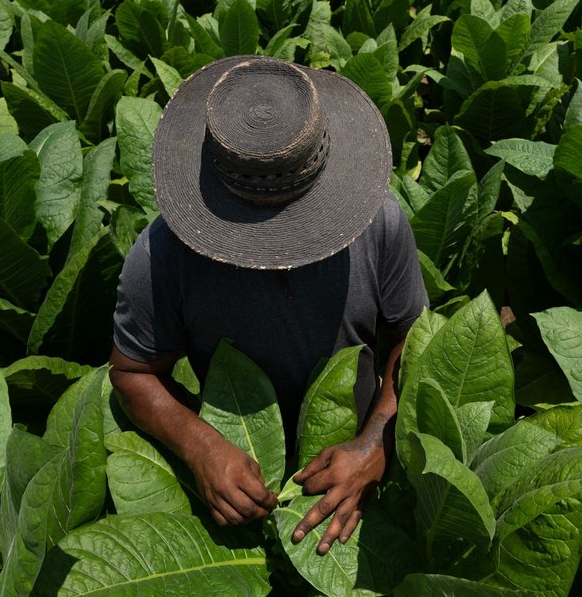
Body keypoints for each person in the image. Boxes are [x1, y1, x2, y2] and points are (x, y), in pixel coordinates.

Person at [109, 55, 428, 555]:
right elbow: (132, 373)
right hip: (239, 480)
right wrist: (201, 447)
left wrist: (377, 444)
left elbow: (414, 340)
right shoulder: (163, 255)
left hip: (361, 468)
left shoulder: (380, 223)